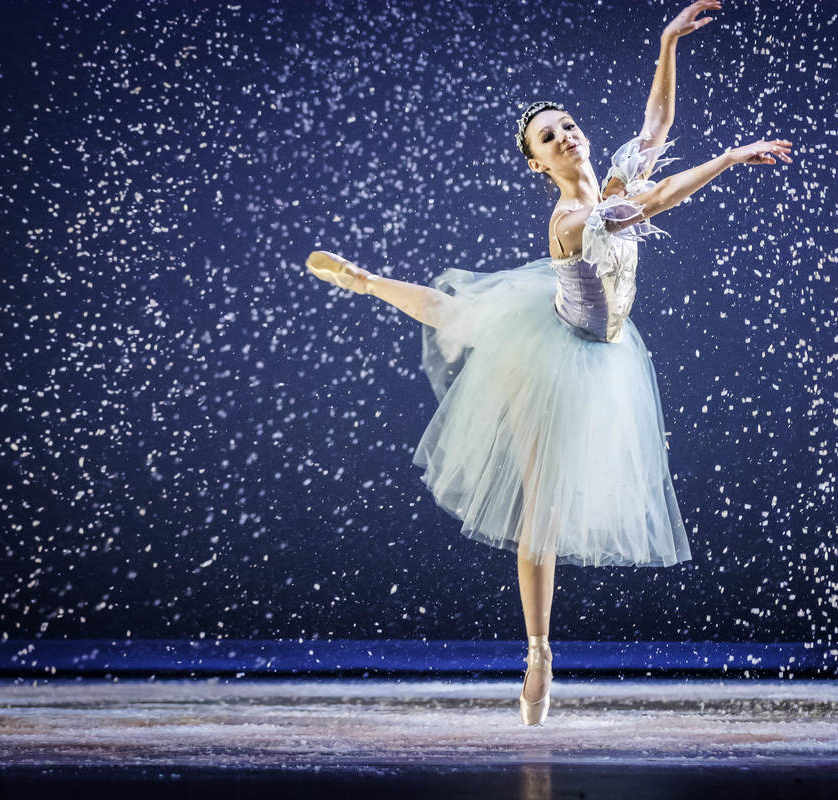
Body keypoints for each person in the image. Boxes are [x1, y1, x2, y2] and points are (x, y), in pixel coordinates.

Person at [306, 0, 792, 726]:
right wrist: (726, 159)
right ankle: (538, 653)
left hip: (606, 347)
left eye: (567, 125)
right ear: (538, 163)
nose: (565, 135)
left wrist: (668, 44)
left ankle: (369, 279)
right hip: (554, 354)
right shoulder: (571, 217)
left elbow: (655, 129)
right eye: (548, 137)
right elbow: (656, 201)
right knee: (539, 499)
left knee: (468, 317)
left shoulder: (615, 179)